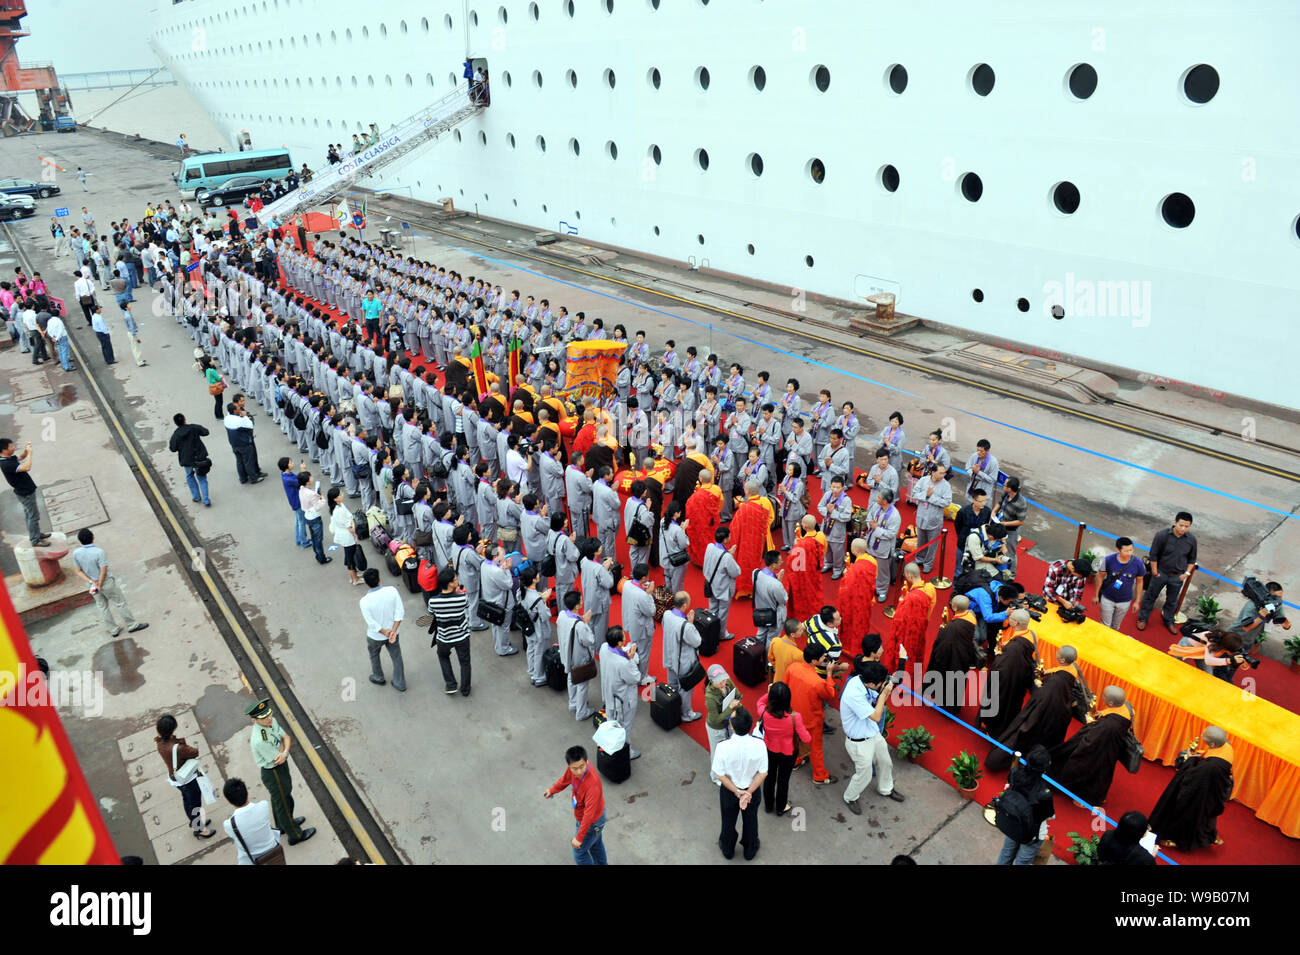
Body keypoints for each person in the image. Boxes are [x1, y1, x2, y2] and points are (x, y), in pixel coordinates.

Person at [986, 645, 1086, 771]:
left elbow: (1036, 706)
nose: (1056, 655)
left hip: (1039, 717)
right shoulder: (1070, 672)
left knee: (1017, 741)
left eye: (1058, 654)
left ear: (1062, 661)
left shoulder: (1055, 682)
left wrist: (1039, 690)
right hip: (1056, 717)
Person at [1148, 726, 1233, 850]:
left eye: (1205, 737)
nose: (1202, 736)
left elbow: (1190, 778)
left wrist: (1189, 758)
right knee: (1207, 812)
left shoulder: (1211, 766)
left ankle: (1176, 838)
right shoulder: (1226, 746)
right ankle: (1210, 834)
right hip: (1213, 786)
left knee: (1189, 812)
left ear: (1213, 744)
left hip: (1201, 791)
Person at [1048, 685, 1135, 807]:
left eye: (1104, 696)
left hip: (1099, 747)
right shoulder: (1126, 707)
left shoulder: (1107, 726)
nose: (1102, 698)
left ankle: (1083, 798)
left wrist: (1091, 723)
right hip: (1109, 744)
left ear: (1111, 702)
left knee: (1085, 765)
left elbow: (1091, 740)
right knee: (1103, 772)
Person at [245, 698, 315, 846]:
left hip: (279, 768)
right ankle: (295, 835)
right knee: (284, 802)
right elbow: (279, 757)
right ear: (254, 720)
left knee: (282, 799)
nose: (269, 719)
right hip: (273, 772)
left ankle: (283, 825)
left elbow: (286, 737)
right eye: (264, 718)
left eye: (269, 714)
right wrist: (284, 751)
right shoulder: (259, 739)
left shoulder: (271, 721)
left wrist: (284, 751)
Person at [841, 659, 902, 813]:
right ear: (871, 684)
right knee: (865, 774)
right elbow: (876, 715)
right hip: (859, 742)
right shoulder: (854, 693)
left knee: (886, 762)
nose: (882, 685)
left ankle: (886, 789)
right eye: (881, 683)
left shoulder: (863, 680)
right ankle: (850, 797)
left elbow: (878, 698)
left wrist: (901, 661)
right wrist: (884, 694)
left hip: (872, 733)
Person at [72, 528, 150, 638]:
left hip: (92, 584)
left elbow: (78, 571)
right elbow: (103, 571)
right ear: (93, 538)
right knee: (120, 603)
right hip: (106, 583)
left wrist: (91, 582)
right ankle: (132, 625)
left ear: (80, 540)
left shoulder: (76, 553)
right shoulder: (99, 552)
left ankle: (113, 630)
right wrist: (100, 583)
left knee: (102, 607)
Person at [712, 707, 768, 861]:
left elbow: (720, 775)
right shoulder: (760, 745)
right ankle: (750, 850)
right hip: (752, 790)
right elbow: (763, 772)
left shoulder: (722, 747)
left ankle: (728, 849)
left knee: (728, 820)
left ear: (731, 726)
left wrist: (737, 792)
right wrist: (748, 792)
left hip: (730, 791)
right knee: (751, 820)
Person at [786, 644, 842, 786]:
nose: (825, 658)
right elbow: (830, 693)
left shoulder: (792, 668)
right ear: (814, 661)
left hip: (793, 714)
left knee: (796, 740)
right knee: (815, 748)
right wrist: (829, 674)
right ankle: (819, 775)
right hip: (811, 719)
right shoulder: (817, 682)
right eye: (823, 657)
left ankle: (796, 762)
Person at [543, 745, 607, 865]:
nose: (579, 772)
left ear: (587, 761)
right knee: (595, 845)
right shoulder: (573, 769)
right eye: (574, 768)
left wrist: (579, 838)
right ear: (570, 766)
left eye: (582, 767)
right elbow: (565, 779)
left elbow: (589, 815)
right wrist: (552, 790)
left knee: (580, 853)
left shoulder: (592, 785)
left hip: (591, 823)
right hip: (586, 818)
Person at [154, 714, 215, 840]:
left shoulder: (160, 743)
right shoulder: (178, 748)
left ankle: (195, 823)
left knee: (187, 801)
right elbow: (194, 752)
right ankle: (199, 829)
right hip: (188, 779)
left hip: (176, 779)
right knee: (194, 804)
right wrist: (180, 742)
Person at [980, 608, 1038, 739]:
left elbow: (1002, 666)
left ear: (1016, 623)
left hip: (1007, 681)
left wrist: (1000, 654)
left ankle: (992, 728)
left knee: (999, 703)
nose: (1008, 620)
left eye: (1010, 619)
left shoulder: (1014, 648)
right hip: (1020, 676)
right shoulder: (1031, 634)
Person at [1137, 512, 1197, 634]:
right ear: (1175, 523)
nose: (1183, 528)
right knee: (1150, 596)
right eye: (1181, 525)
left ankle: (1169, 621)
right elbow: (1153, 555)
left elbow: (1192, 559)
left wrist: (1186, 574)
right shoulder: (1162, 535)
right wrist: (1154, 571)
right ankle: (1143, 618)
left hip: (1177, 576)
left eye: (1187, 526)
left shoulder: (1191, 540)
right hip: (1160, 573)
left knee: (1172, 601)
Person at [994, 745, 1055, 865]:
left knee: (1006, 853)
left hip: (1013, 822)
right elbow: (1050, 816)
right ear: (1044, 770)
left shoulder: (1014, 773)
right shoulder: (1043, 793)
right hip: (1033, 834)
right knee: (1022, 862)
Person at [757, 681, 809, 816]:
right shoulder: (795, 717)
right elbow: (806, 738)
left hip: (769, 749)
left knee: (769, 778)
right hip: (788, 753)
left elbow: (759, 702)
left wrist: (768, 693)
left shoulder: (764, 712)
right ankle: (780, 807)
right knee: (783, 781)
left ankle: (768, 806)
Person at [924, 595, 980, 715]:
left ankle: (946, 706)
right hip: (964, 654)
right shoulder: (970, 616)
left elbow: (942, 646)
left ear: (954, 607)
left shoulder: (953, 627)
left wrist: (942, 631)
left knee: (949, 681)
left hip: (953, 658)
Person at [597, 625, 642, 760]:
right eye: (623, 635)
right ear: (619, 643)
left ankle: (612, 746)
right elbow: (636, 677)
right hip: (623, 699)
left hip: (610, 693)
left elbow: (621, 653)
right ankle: (625, 751)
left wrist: (628, 655)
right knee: (625, 726)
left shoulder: (604, 648)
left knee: (611, 721)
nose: (625, 635)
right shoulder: (624, 663)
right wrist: (631, 659)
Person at [428, 565, 473, 696]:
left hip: (444, 637)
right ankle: (465, 689)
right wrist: (459, 592)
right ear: (449, 584)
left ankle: (451, 684)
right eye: (455, 579)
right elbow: (467, 606)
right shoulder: (461, 598)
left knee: (443, 657)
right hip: (461, 636)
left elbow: (431, 614)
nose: (457, 580)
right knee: (464, 662)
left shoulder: (433, 601)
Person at [359, 567, 406, 691]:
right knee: (396, 657)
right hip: (394, 633)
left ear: (366, 583)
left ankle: (378, 676)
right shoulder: (392, 591)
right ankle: (400, 683)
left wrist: (385, 632)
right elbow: (399, 612)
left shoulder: (364, 601)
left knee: (374, 655)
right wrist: (393, 631)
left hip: (375, 636)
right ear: (379, 579)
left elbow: (371, 623)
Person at [662, 591, 703, 722]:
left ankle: (673, 706)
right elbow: (697, 641)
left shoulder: (666, 614)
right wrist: (691, 623)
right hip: (683, 661)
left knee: (672, 684)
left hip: (669, 655)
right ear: (685, 605)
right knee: (686, 689)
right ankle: (686, 714)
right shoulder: (685, 626)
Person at [1, 439, 52, 546]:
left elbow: (20, 457)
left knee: (30, 514)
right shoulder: (6, 464)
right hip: (25, 493)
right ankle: (35, 540)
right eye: (11, 446)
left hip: (24, 491)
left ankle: (36, 534)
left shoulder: (8, 459)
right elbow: (27, 467)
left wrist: (26, 451)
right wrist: (29, 454)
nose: (13, 447)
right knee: (33, 516)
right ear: (4, 450)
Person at [557, 589, 597, 721]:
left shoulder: (562, 615)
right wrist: (586, 623)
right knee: (582, 685)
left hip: (567, 655)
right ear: (577, 606)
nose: (582, 602)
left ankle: (573, 703)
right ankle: (581, 712)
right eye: (580, 601)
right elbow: (589, 640)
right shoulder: (580, 626)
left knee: (571, 678)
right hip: (579, 658)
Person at [222, 777, 281, 865]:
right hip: (273, 853)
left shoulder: (229, 824)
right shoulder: (263, 806)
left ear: (229, 801)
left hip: (251, 861)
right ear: (247, 792)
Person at [731, 480, 774, 597]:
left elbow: (734, 527)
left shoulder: (744, 508)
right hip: (760, 538)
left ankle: (743, 589)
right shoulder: (765, 502)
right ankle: (752, 588)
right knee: (756, 561)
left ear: (747, 492)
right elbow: (771, 518)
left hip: (746, 539)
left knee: (744, 563)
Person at [1093, 537, 1145, 630]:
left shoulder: (1138, 563)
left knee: (1116, 627)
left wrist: (1137, 601)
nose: (1129, 553)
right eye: (1126, 551)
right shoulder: (1108, 560)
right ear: (1118, 550)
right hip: (1107, 598)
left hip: (1125, 601)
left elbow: (1140, 582)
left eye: (1131, 550)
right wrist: (1096, 595)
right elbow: (1100, 576)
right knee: (1105, 625)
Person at [838, 539, 877, 659]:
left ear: (855, 550)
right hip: (866, 597)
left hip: (854, 600)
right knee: (862, 622)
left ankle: (851, 648)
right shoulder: (873, 561)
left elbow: (846, 588)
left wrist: (846, 574)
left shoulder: (855, 569)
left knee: (852, 622)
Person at [1227, 579, 1290, 653]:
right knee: (1224, 660)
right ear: (1266, 595)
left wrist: (1286, 624)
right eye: (1275, 597)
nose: (1278, 600)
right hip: (1233, 637)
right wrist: (1261, 617)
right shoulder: (1252, 606)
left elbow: (1285, 624)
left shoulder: (1276, 604)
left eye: (1280, 597)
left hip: (1248, 642)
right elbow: (1246, 628)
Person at [704, 664, 742, 784]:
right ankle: (715, 776)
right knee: (717, 754)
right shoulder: (710, 697)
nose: (723, 683)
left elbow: (738, 695)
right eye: (719, 682)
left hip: (729, 723)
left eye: (724, 680)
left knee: (728, 750)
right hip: (716, 728)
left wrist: (736, 704)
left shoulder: (728, 682)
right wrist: (731, 708)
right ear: (711, 681)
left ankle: (726, 771)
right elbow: (715, 720)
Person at [620, 562, 657, 686]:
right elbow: (651, 611)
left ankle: (636, 671)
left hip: (630, 623)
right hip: (642, 629)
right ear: (643, 578)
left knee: (635, 648)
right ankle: (642, 677)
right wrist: (649, 594)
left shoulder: (627, 584)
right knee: (643, 653)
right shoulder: (642, 595)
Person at [911, 464, 951, 574]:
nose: (944, 475)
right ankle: (919, 559)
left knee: (932, 544)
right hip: (922, 516)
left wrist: (930, 498)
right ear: (933, 472)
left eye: (944, 472)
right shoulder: (923, 480)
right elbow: (914, 493)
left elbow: (947, 502)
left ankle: (928, 563)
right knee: (921, 540)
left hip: (934, 520)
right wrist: (925, 495)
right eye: (941, 472)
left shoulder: (946, 485)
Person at [702, 526, 741, 641]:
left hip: (711, 584)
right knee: (723, 613)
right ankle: (721, 634)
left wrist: (728, 554)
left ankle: (711, 630)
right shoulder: (727, 557)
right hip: (723, 588)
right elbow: (736, 572)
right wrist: (731, 556)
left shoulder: (710, 546)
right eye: (729, 536)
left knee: (713, 609)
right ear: (725, 540)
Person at [169, 413, 212, 507]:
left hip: (186, 460)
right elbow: (206, 432)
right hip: (199, 457)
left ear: (176, 423)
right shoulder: (194, 428)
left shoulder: (176, 434)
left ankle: (196, 497)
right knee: (202, 478)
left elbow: (173, 448)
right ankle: (206, 500)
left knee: (189, 475)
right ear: (185, 420)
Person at [787, 514, 825, 621]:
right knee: (815, 593)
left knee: (803, 595)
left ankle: (803, 616)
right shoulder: (821, 536)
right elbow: (822, 553)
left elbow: (793, 565)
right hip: (815, 571)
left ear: (804, 527)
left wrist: (796, 546)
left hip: (803, 574)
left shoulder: (801, 544)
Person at [817, 475, 853, 580]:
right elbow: (820, 506)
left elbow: (847, 517)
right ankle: (828, 563)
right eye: (833, 487)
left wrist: (833, 512)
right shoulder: (828, 495)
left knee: (837, 551)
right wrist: (827, 511)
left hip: (837, 530)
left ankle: (838, 569)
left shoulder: (846, 500)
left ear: (843, 487)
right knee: (826, 548)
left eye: (837, 487)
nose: (835, 489)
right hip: (826, 527)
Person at [751, 550, 788, 648]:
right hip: (774, 615)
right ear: (773, 565)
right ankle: (768, 661)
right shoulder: (775, 584)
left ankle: (756, 654)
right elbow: (783, 599)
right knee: (772, 639)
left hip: (760, 610)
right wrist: (779, 581)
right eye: (779, 561)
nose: (781, 562)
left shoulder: (755, 573)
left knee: (760, 635)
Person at [328, 486, 364, 586]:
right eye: (340, 494)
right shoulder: (338, 511)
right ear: (335, 499)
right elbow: (348, 525)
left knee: (349, 556)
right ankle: (354, 579)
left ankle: (354, 576)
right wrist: (355, 533)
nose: (342, 494)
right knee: (350, 558)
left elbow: (349, 517)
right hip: (347, 536)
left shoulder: (339, 506)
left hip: (345, 534)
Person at [993, 476, 1028, 576]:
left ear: (1010, 489)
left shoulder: (1021, 503)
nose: (1003, 486)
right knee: (1000, 546)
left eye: (1005, 485)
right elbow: (1000, 503)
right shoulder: (1006, 493)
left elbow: (1021, 521)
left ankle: (1011, 574)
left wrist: (1005, 524)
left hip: (1012, 530)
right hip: (1002, 523)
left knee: (1011, 552)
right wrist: (994, 511)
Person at [224, 401, 264, 485]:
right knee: (248, 461)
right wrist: (245, 416)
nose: (239, 408)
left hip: (234, 444)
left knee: (239, 461)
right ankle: (253, 478)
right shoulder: (239, 420)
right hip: (244, 444)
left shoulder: (227, 418)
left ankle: (243, 478)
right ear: (235, 411)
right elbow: (250, 426)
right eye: (238, 407)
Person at [297, 471, 332, 564]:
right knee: (318, 539)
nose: (312, 477)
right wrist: (322, 497)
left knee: (314, 537)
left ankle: (318, 555)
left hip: (307, 516)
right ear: (307, 481)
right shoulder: (311, 494)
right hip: (315, 517)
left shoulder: (301, 488)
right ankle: (321, 558)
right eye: (310, 477)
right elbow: (318, 506)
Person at [278, 457, 310, 549]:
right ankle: (304, 541)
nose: (293, 463)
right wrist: (303, 471)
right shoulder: (288, 479)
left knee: (298, 521)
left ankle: (299, 539)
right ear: (286, 466)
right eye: (290, 462)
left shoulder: (286, 475)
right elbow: (301, 483)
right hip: (298, 502)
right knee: (302, 522)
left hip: (295, 501)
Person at [767, 618, 806, 684]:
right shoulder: (798, 654)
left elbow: (770, 658)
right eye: (800, 630)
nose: (803, 631)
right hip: (789, 682)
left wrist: (778, 667)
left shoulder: (775, 641)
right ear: (792, 634)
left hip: (777, 678)